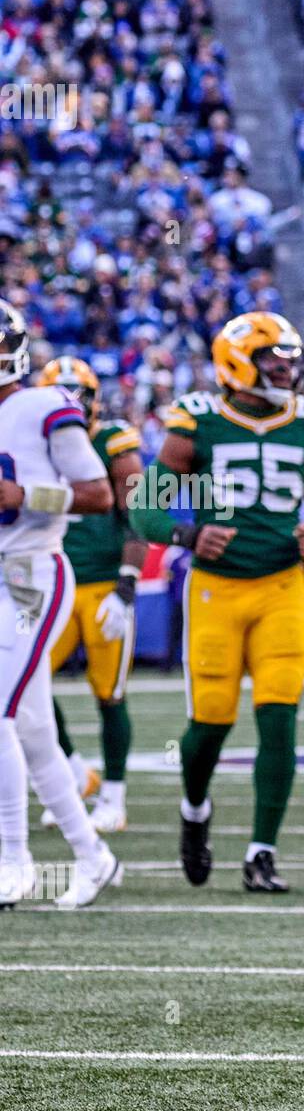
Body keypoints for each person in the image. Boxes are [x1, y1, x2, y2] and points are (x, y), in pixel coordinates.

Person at [129, 313, 304, 893]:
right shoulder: (197, 420)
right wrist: (188, 535)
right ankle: (195, 810)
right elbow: (144, 506)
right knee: (210, 723)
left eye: (290, 358)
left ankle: (261, 852)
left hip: (282, 587)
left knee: (279, 720)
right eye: (273, 358)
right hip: (215, 588)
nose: (287, 368)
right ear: (236, 362)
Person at [0, 301, 122, 910]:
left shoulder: (43, 404)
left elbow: (98, 494)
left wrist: (24, 494)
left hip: (30, 578)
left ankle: (14, 860)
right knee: (35, 733)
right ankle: (93, 855)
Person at [35, 358, 147, 833]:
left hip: (102, 583)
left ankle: (114, 797)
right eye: (61, 394)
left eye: (79, 393)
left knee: (109, 695)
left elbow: (139, 513)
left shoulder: (113, 442)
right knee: (26, 684)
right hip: (49, 581)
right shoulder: (30, 438)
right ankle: (77, 772)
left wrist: (126, 586)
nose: (73, 404)